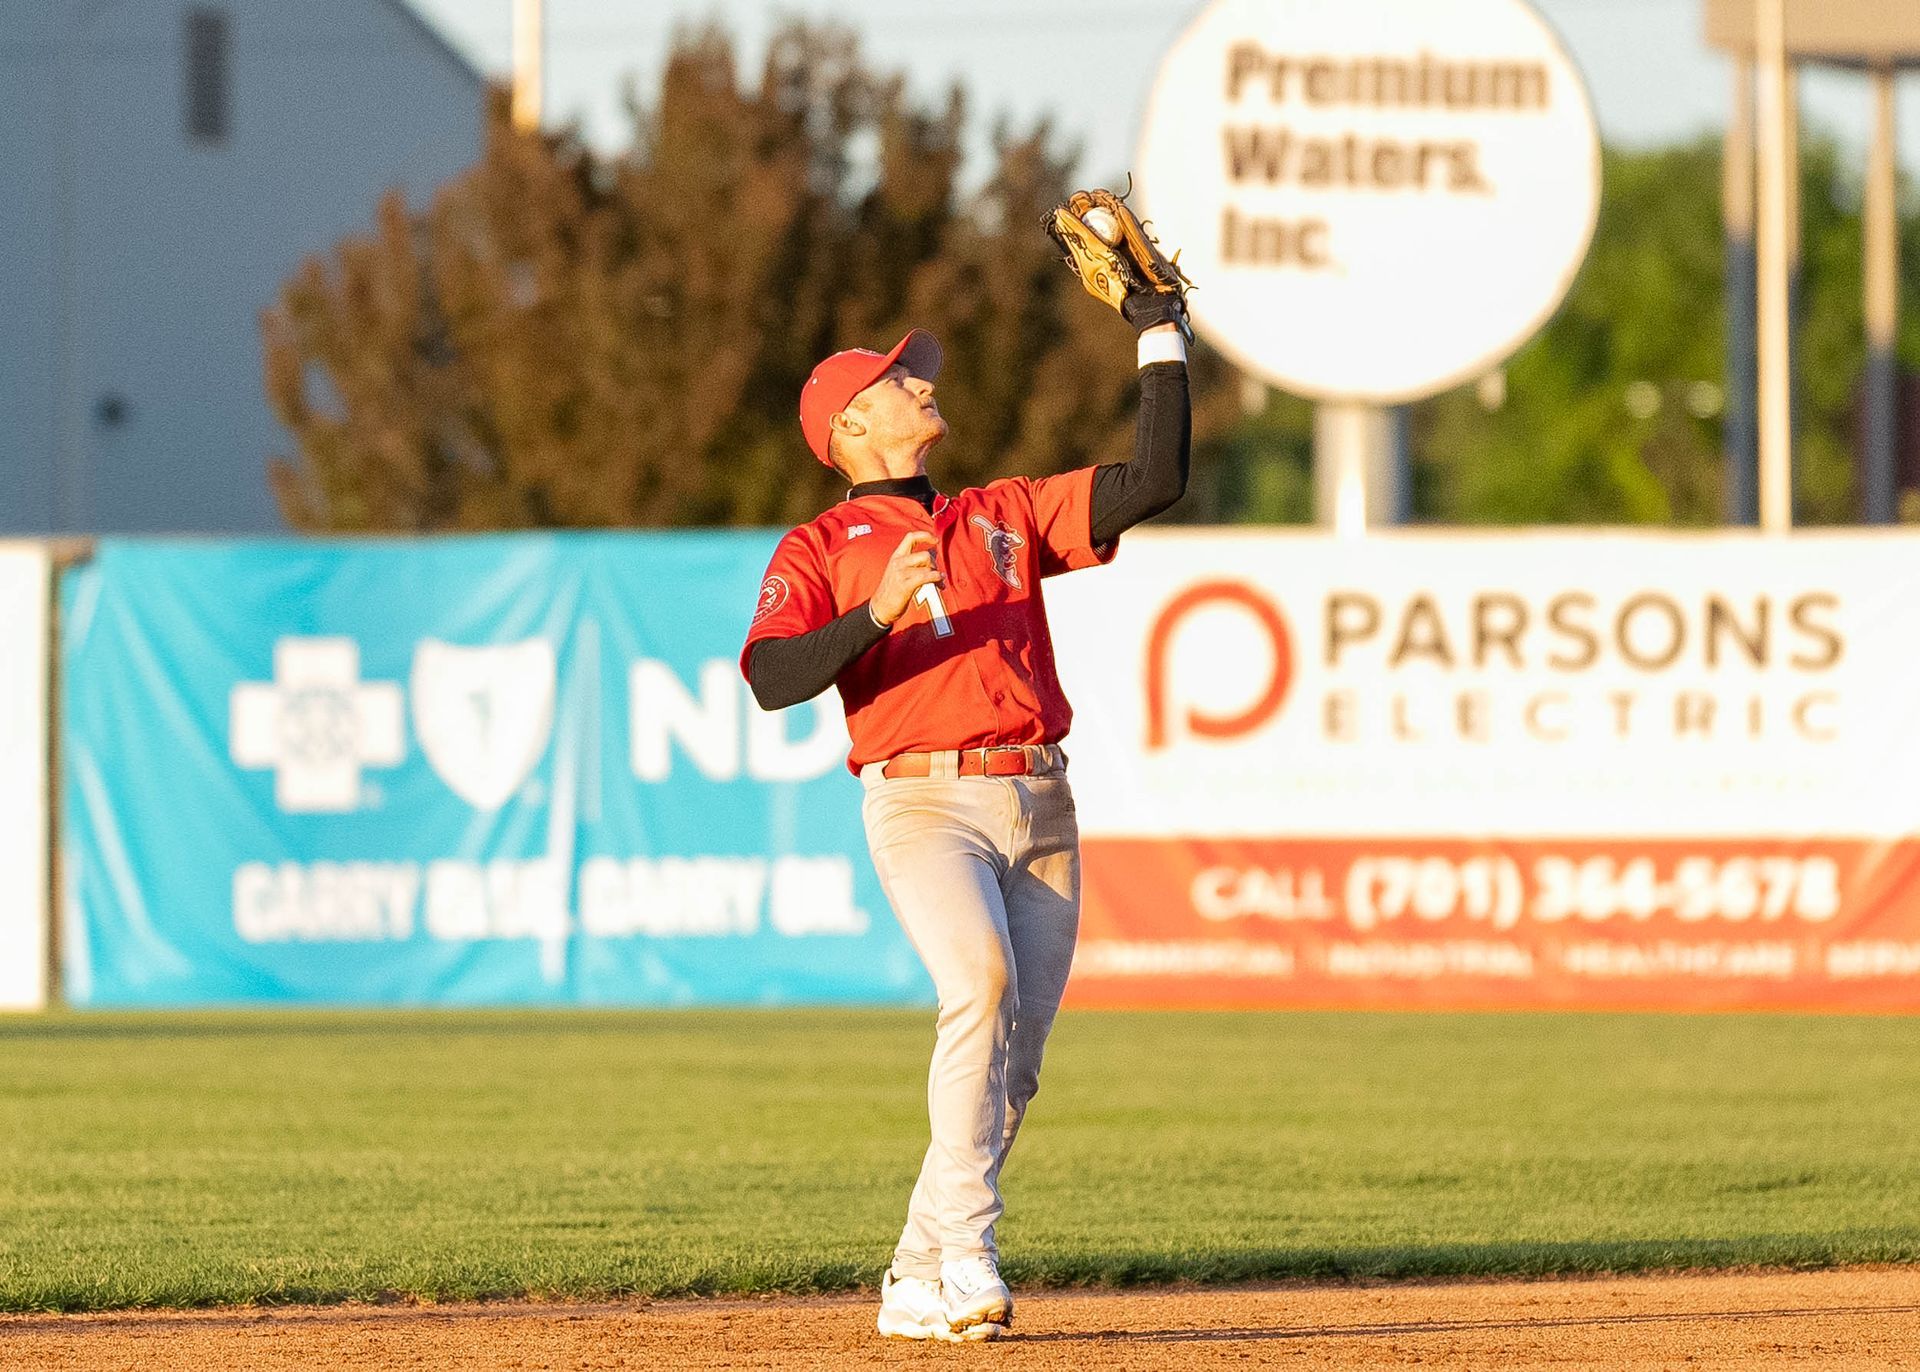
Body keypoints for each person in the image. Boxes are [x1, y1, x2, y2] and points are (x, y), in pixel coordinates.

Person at [739, 290, 1190, 1341]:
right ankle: (971, 1250)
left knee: (1014, 1064)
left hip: (1042, 797)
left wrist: (1158, 333)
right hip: (923, 800)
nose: (921, 382)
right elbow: (770, 677)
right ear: (849, 426)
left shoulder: (1004, 510)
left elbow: (1156, 479)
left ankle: (912, 1272)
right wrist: (874, 615)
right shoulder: (821, 543)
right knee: (977, 985)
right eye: (898, 378)